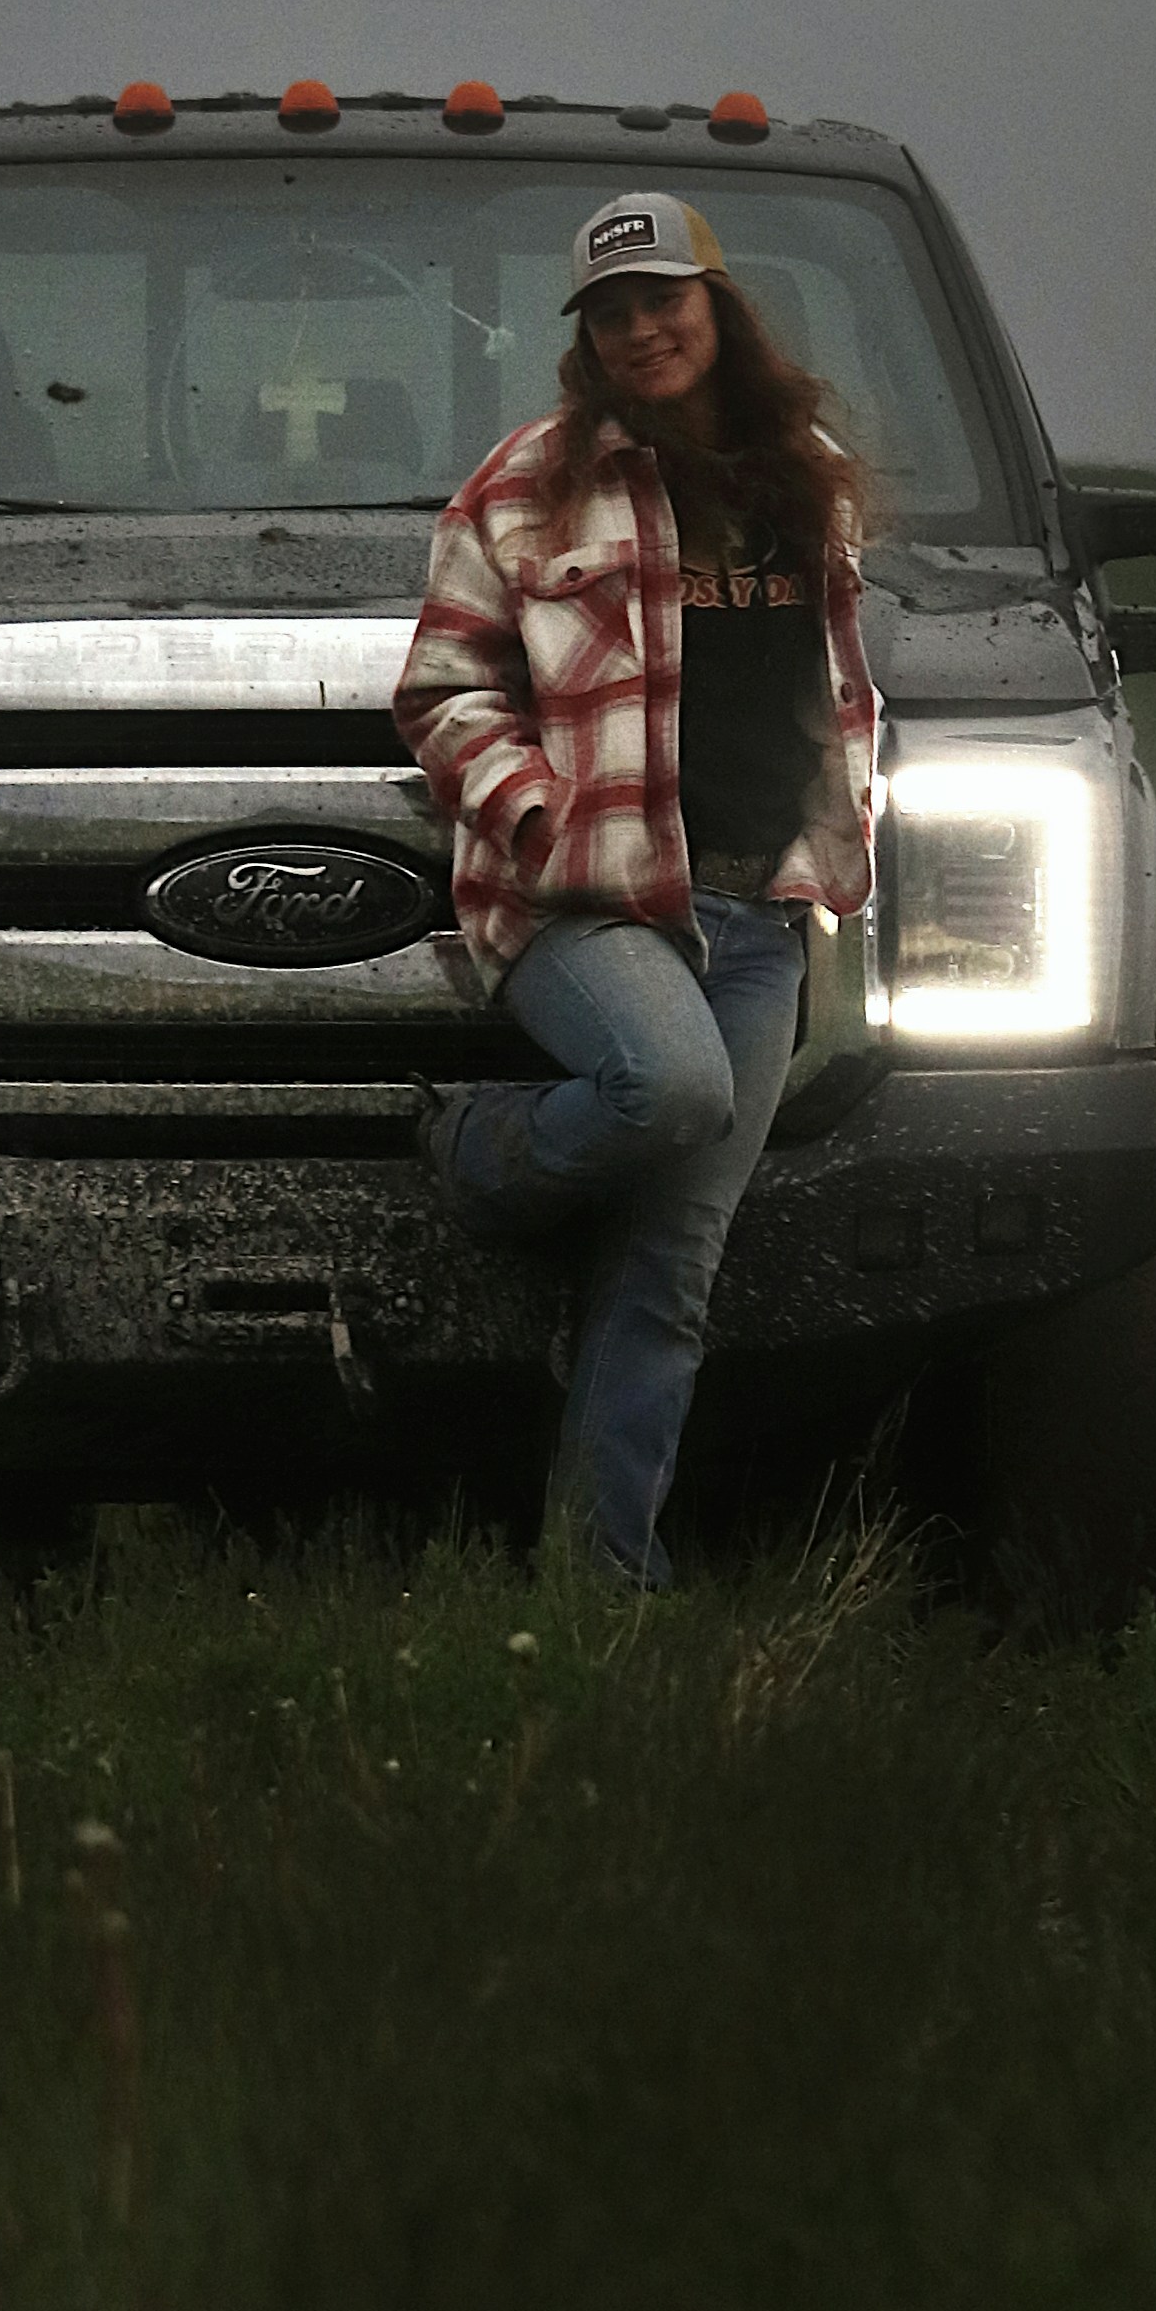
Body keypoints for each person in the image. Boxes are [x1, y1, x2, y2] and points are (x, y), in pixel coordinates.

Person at [394, 192, 879, 1589]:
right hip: (583, 911)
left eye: (664, 298)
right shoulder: (528, 484)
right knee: (670, 1092)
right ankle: (480, 1153)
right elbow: (440, 689)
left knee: (669, 1275)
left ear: (721, 307)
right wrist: (543, 819)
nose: (642, 328)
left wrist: (847, 823)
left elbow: (832, 685)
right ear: (587, 341)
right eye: (611, 313)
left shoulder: (813, 479)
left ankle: (604, 1586)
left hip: (762, 913)